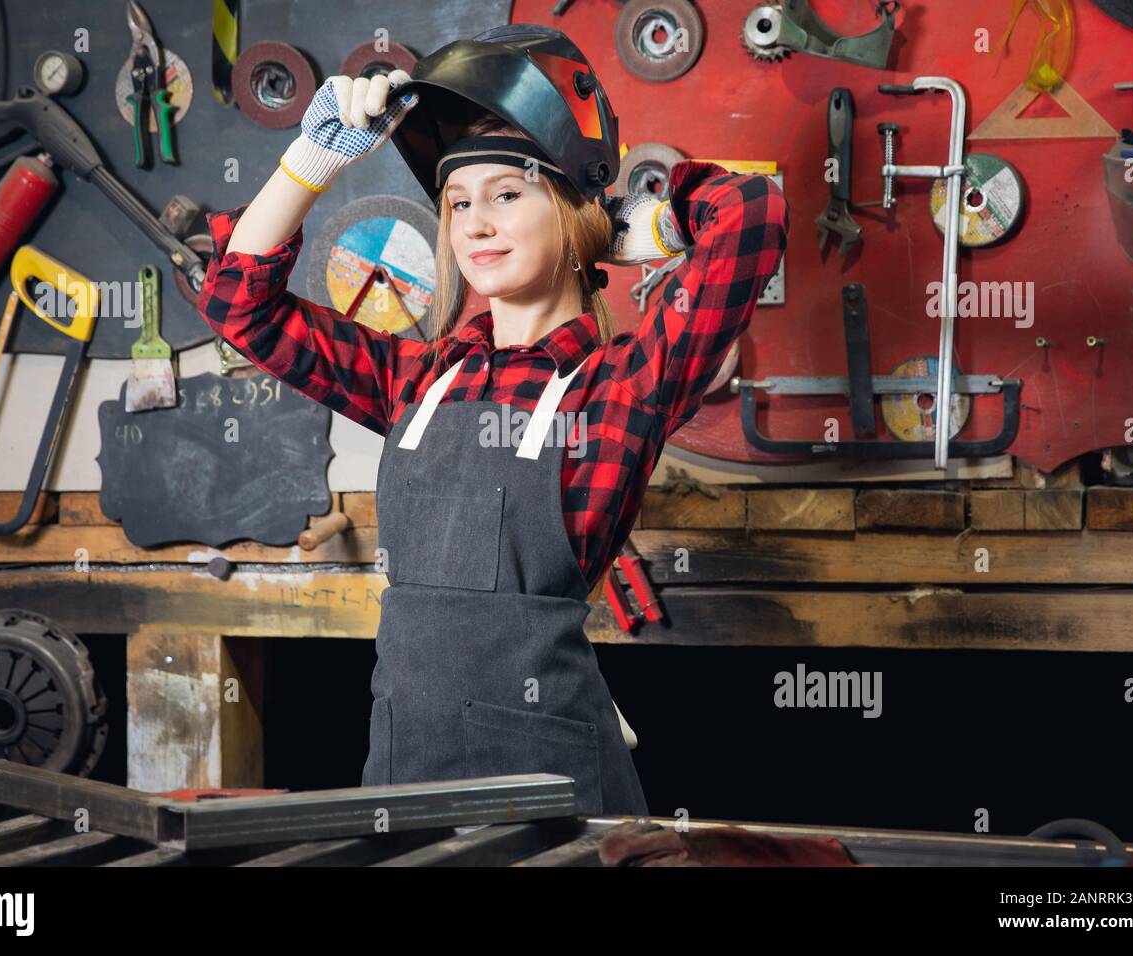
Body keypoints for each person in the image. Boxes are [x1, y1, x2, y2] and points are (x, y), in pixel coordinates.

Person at [197, 25, 788, 818]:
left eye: (508, 195)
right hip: (402, 765)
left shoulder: (619, 387)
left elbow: (753, 211)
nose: (475, 225)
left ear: (570, 205)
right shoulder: (420, 378)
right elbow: (238, 306)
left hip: (545, 787)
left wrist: (635, 226)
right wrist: (316, 160)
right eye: (458, 202)